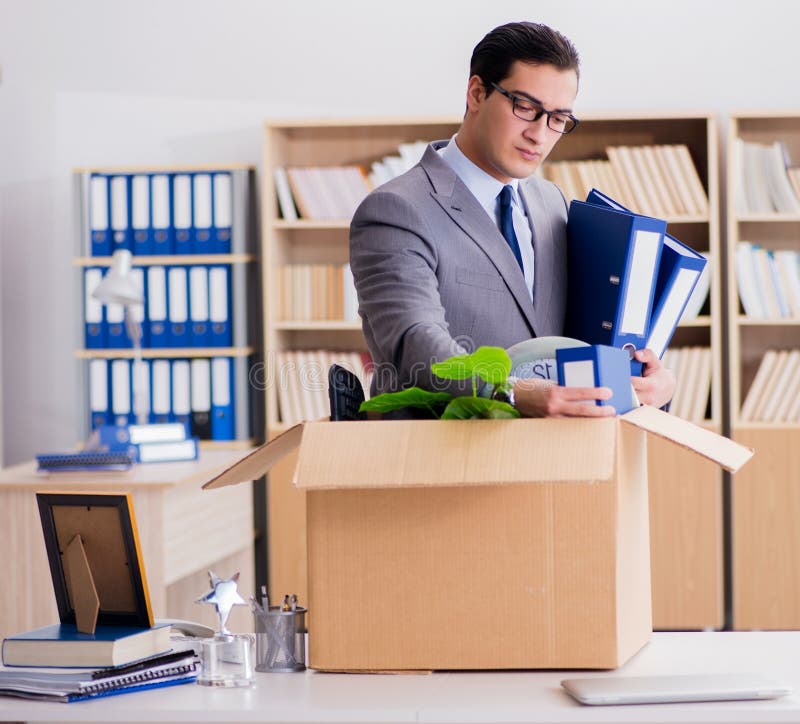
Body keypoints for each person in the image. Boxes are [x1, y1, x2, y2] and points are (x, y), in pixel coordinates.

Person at [349, 21, 675, 417]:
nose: (540, 134)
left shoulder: (550, 202)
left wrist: (642, 379)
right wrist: (516, 393)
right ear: (476, 93)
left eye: (558, 118)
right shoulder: (397, 209)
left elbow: (573, 340)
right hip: (439, 460)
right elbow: (414, 344)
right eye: (525, 107)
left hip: (553, 461)